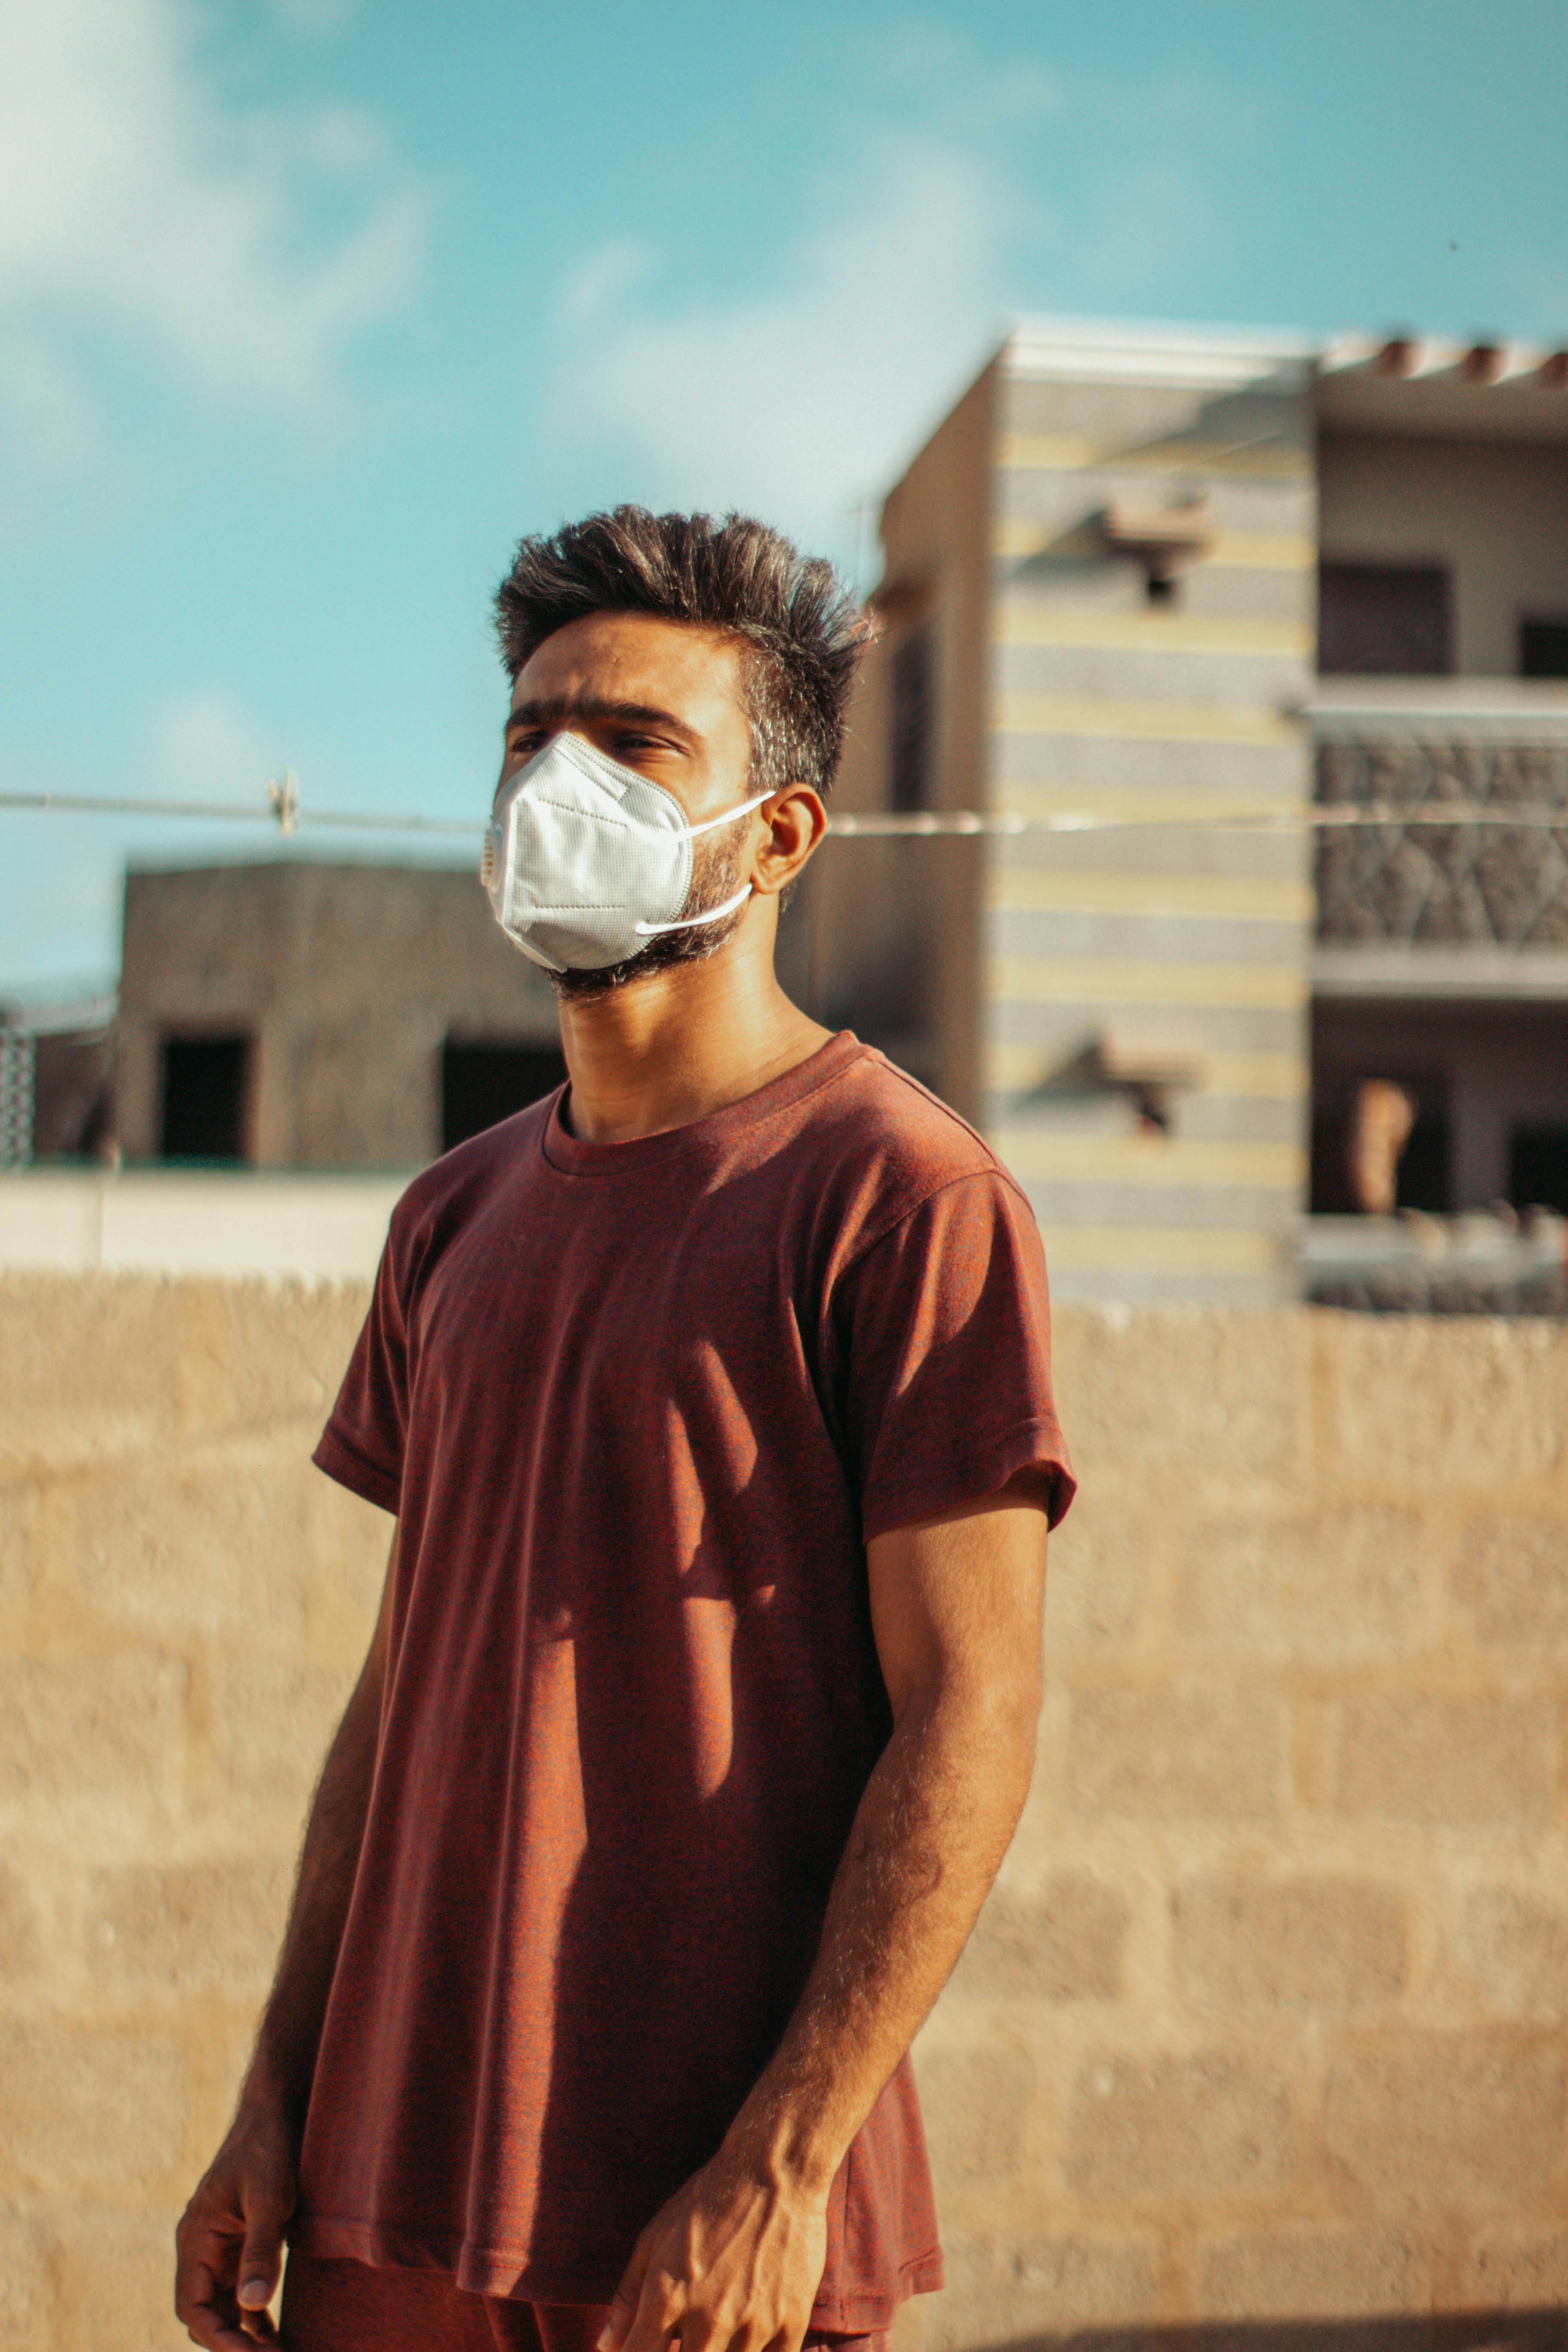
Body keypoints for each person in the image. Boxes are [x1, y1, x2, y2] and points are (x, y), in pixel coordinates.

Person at [176, 507, 1075, 2352]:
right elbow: (403, 1693)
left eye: (636, 741)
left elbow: (971, 1709)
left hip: (702, 2228)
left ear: (781, 831)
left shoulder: (904, 1200)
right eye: (532, 735)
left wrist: (784, 2166)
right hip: (385, 2189)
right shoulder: (449, 1220)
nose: (557, 781)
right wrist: (277, 2094)